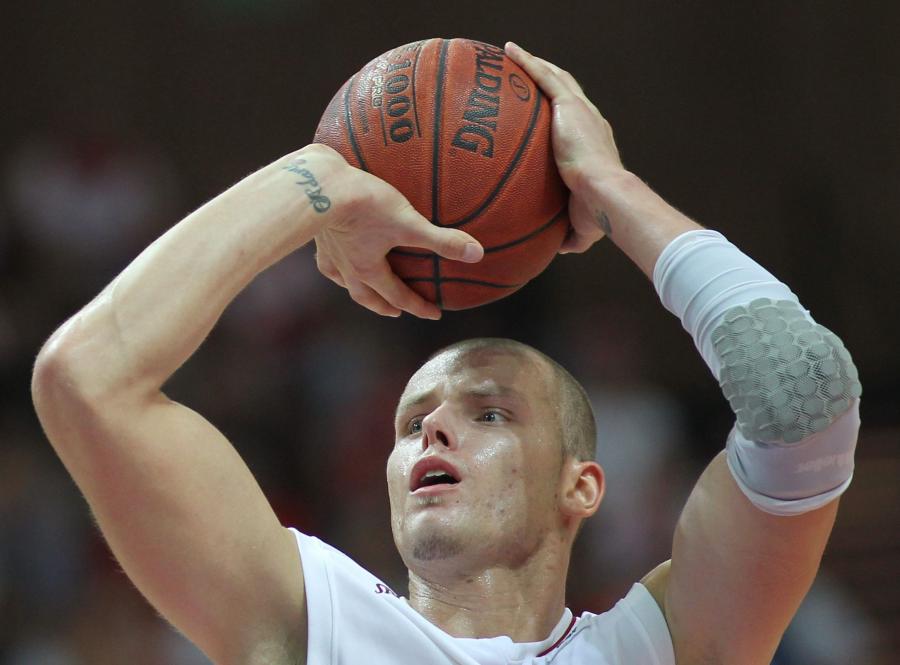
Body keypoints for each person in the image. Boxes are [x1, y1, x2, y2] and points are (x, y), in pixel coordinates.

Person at [31, 42, 861, 664]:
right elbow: (86, 379)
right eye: (410, 423)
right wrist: (317, 180)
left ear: (582, 484)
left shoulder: (658, 645)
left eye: (490, 410)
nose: (432, 434)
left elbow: (802, 397)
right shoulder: (314, 620)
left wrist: (607, 188)